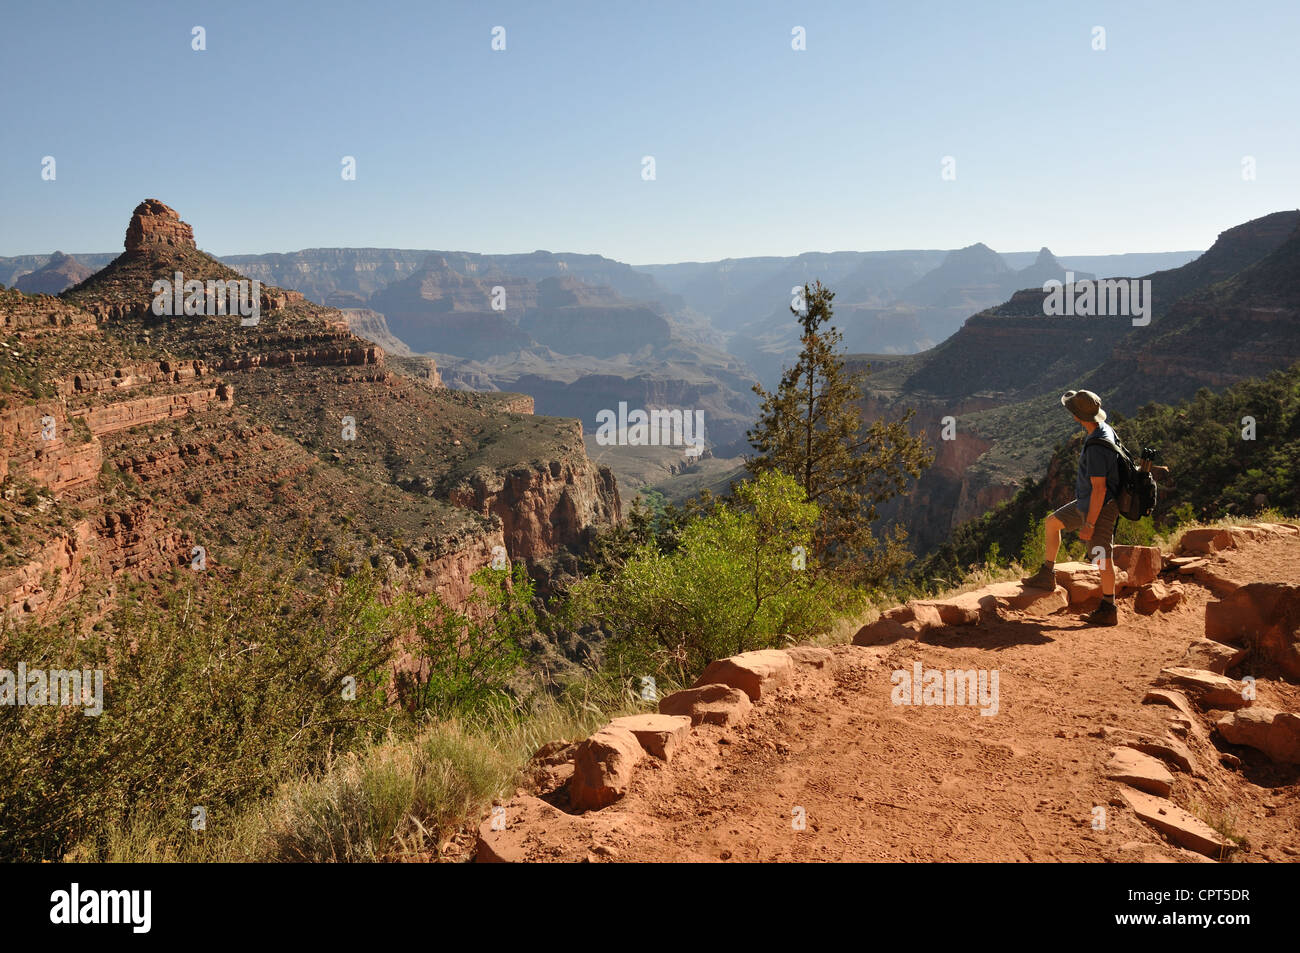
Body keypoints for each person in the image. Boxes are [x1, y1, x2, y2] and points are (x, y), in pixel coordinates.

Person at [1021, 390, 1121, 626]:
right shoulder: (1103, 431)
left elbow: (1099, 488)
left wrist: (1089, 524)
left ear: (1077, 416)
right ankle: (1047, 575)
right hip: (1087, 502)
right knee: (1052, 522)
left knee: (1102, 557)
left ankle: (1109, 608)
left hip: (1100, 507)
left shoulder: (1097, 446)